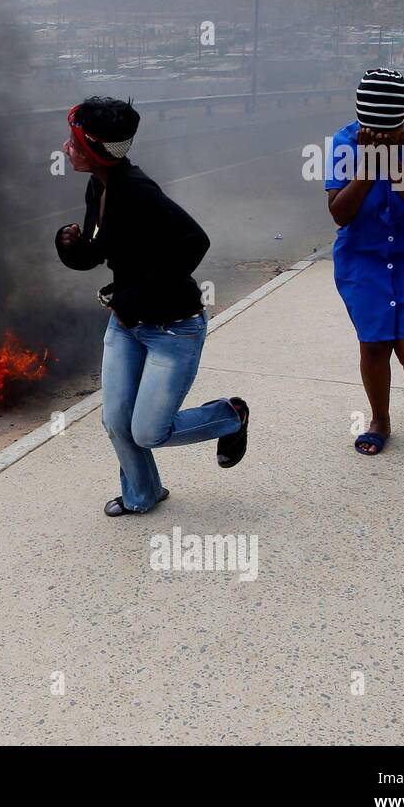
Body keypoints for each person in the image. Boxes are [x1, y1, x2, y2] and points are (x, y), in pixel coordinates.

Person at [55, 96, 249, 516]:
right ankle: (141, 495)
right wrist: (68, 247)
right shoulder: (99, 186)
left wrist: (132, 296)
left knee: (148, 431)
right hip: (128, 325)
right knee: (116, 422)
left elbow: (194, 241)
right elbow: (94, 253)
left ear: (92, 151)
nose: (66, 149)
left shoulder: (137, 191)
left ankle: (229, 416)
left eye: (72, 143)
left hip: (173, 329)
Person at [324, 69, 404, 455]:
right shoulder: (345, 143)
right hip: (363, 257)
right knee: (374, 344)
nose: (377, 136)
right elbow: (340, 214)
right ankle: (380, 420)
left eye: (387, 129)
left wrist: (395, 164)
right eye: (371, 129)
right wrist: (366, 169)